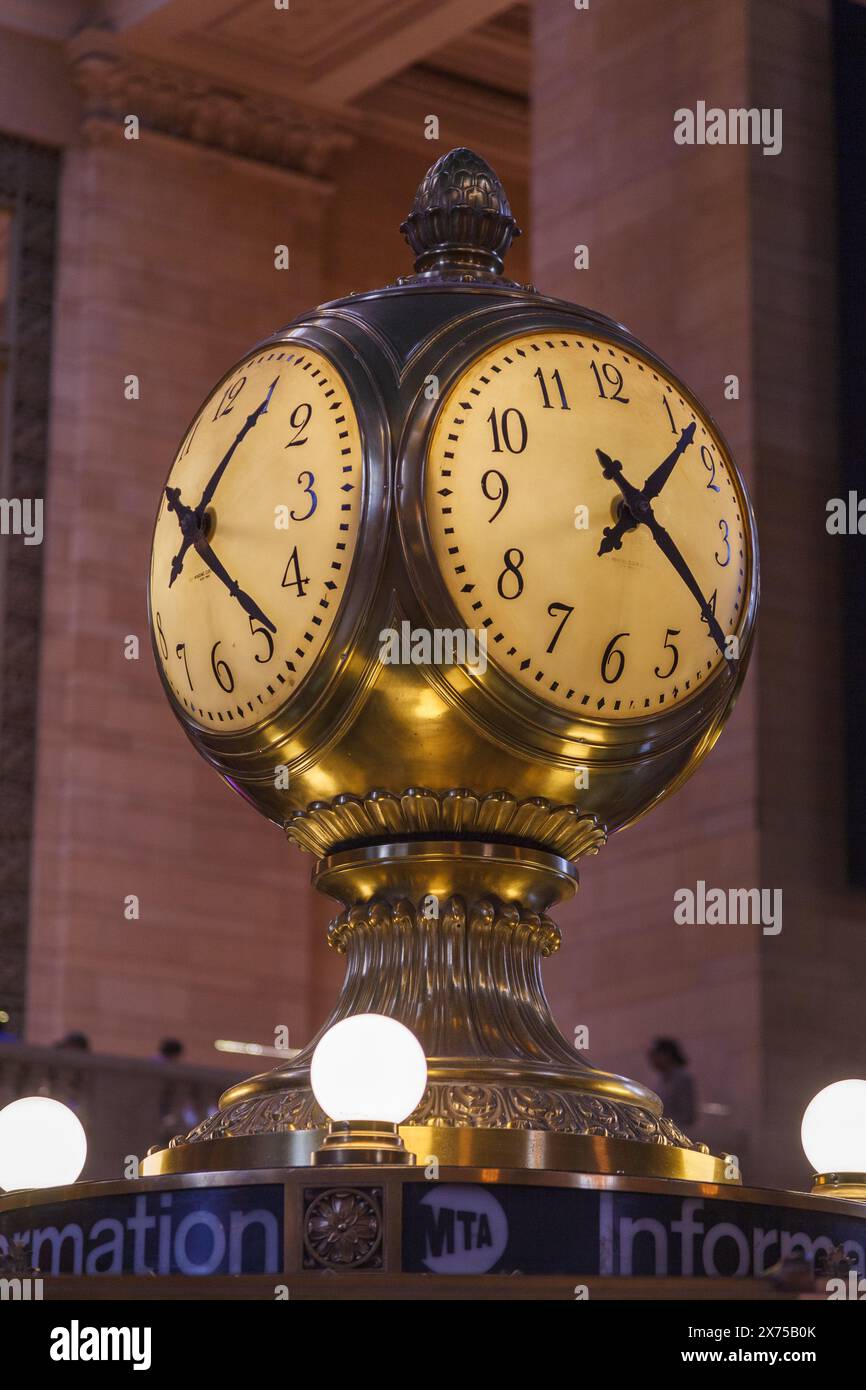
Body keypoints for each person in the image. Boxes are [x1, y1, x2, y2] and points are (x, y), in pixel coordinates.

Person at [647, 1036, 697, 1131]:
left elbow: (687, 1115)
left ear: (667, 1055)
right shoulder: (660, 1080)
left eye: (655, 1055)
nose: (653, 1061)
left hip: (677, 1133)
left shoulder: (683, 1078)